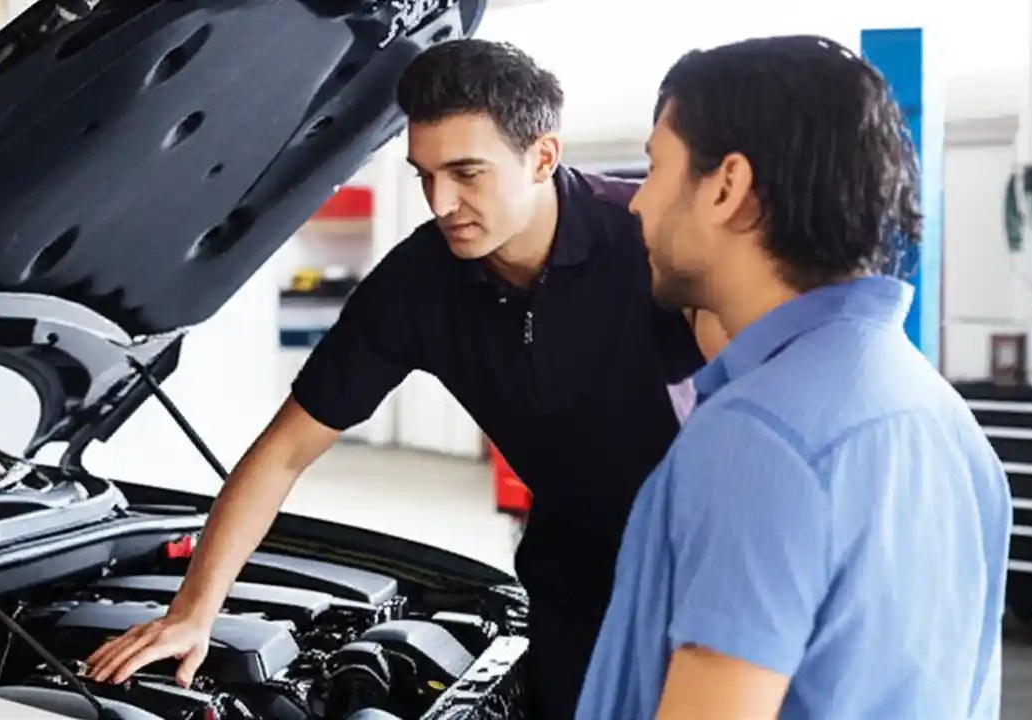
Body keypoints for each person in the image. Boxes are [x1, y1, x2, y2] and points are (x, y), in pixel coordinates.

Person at [84, 38, 711, 718]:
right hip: (573, 583)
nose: (441, 204)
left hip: (709, 564)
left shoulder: (650, 240)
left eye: (467, 173)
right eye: (425, 175)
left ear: (543, 158)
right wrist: (194, 612)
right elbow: (284, 451)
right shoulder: (418, 285)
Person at [574, 34, 1013, 720]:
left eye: (656, 168)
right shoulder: (940, 414)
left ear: (728, 187)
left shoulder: (757, 440)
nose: (635, 203)